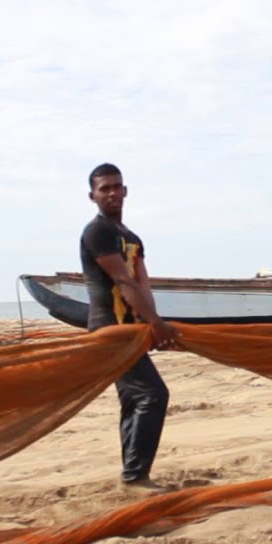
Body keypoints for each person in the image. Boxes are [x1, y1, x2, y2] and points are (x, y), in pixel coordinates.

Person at [80, 163, 181, 491]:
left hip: (130, 329)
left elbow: (141, 282)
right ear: (92, 196)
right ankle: (136, 477)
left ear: (125, 191)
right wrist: (155, 323)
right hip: (109, 329)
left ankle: (133, 474)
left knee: (135, 398)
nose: (111, 193)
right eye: (104, 188)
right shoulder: (97, 232)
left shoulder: (131, 238)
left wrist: (151, 324)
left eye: (116, 187)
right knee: (153, 395)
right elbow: (121, 279)